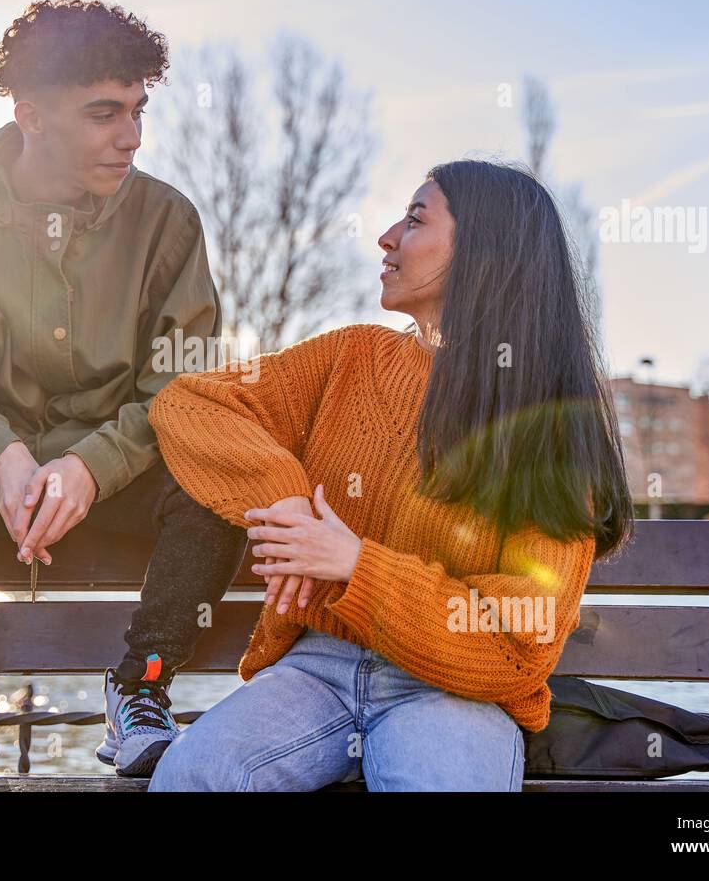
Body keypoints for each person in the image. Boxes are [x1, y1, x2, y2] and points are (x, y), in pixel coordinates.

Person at [0, 0, 249, 777]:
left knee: (222, 479)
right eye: (104, 113)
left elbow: (182, 384)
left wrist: (92, 465)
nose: (130, 136)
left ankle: (143, 688)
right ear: (30, 115)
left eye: (138, 110)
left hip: (125, 482)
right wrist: (0, 454)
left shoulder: (170, 222)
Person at [145, 159, 634, 791]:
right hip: (313, 668)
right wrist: (289, 507)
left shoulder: (549, 420)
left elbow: (518, 647)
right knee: (192, 777)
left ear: (484, 249)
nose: (386, 238)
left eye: (415, 219)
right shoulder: (351, 357)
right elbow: (190, 403)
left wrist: (356, 565)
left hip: (455, 692)